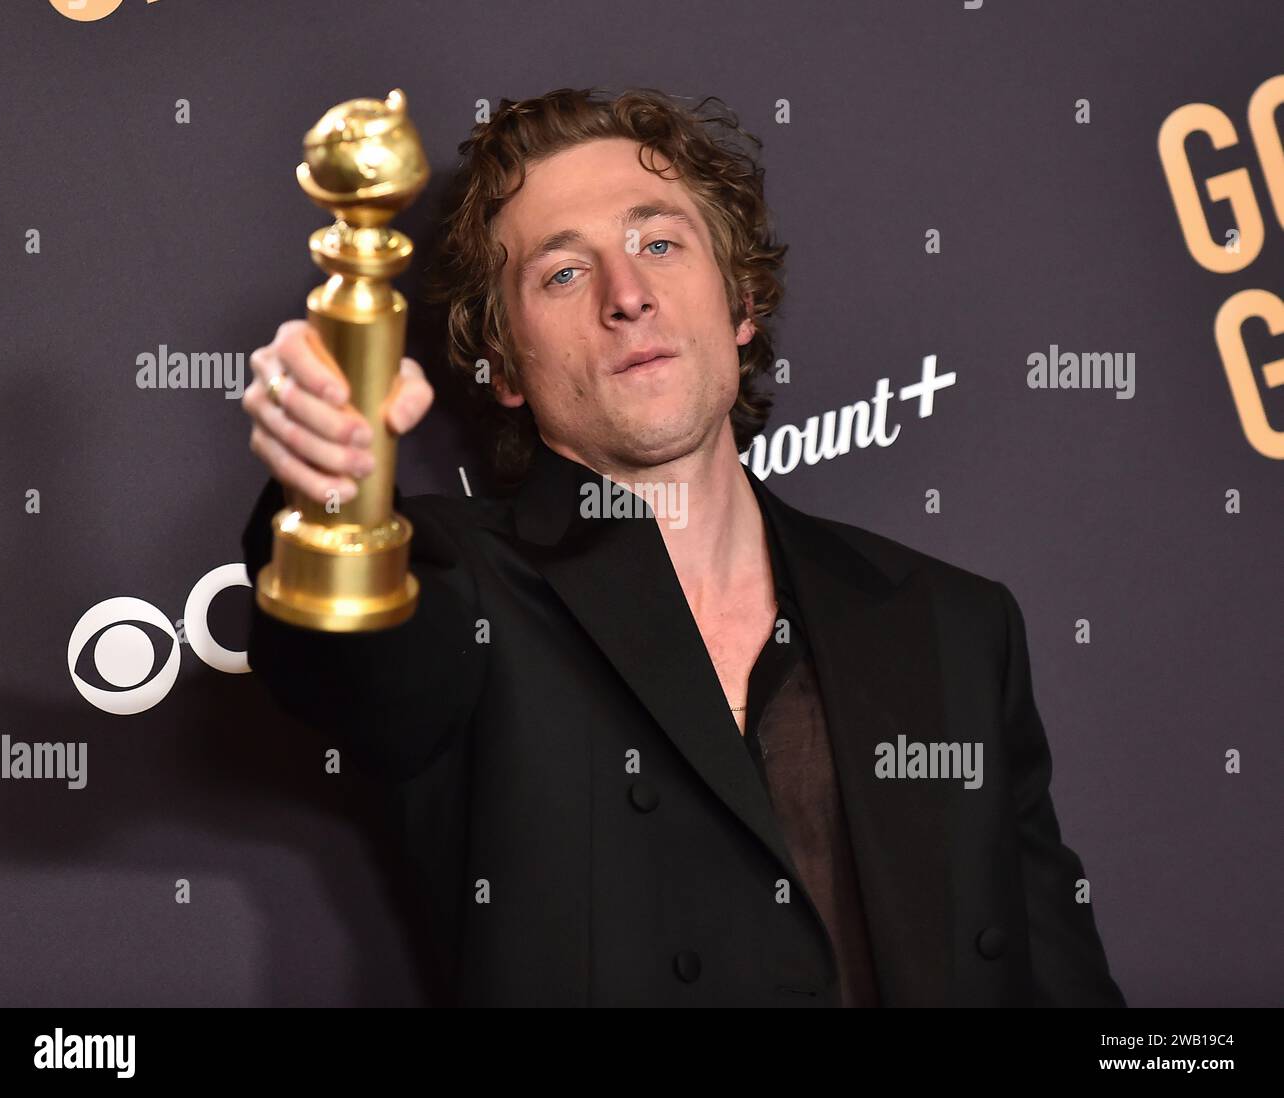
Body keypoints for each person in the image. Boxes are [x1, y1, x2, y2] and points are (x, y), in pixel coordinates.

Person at [239, 86, 1126, 1007]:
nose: (629, 297)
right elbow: (342, 659)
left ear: (741, 302)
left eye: (659, 243)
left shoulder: (955, 623)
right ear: (503, 364)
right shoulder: (455, 588)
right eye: (563, 274)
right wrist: (327, 479)